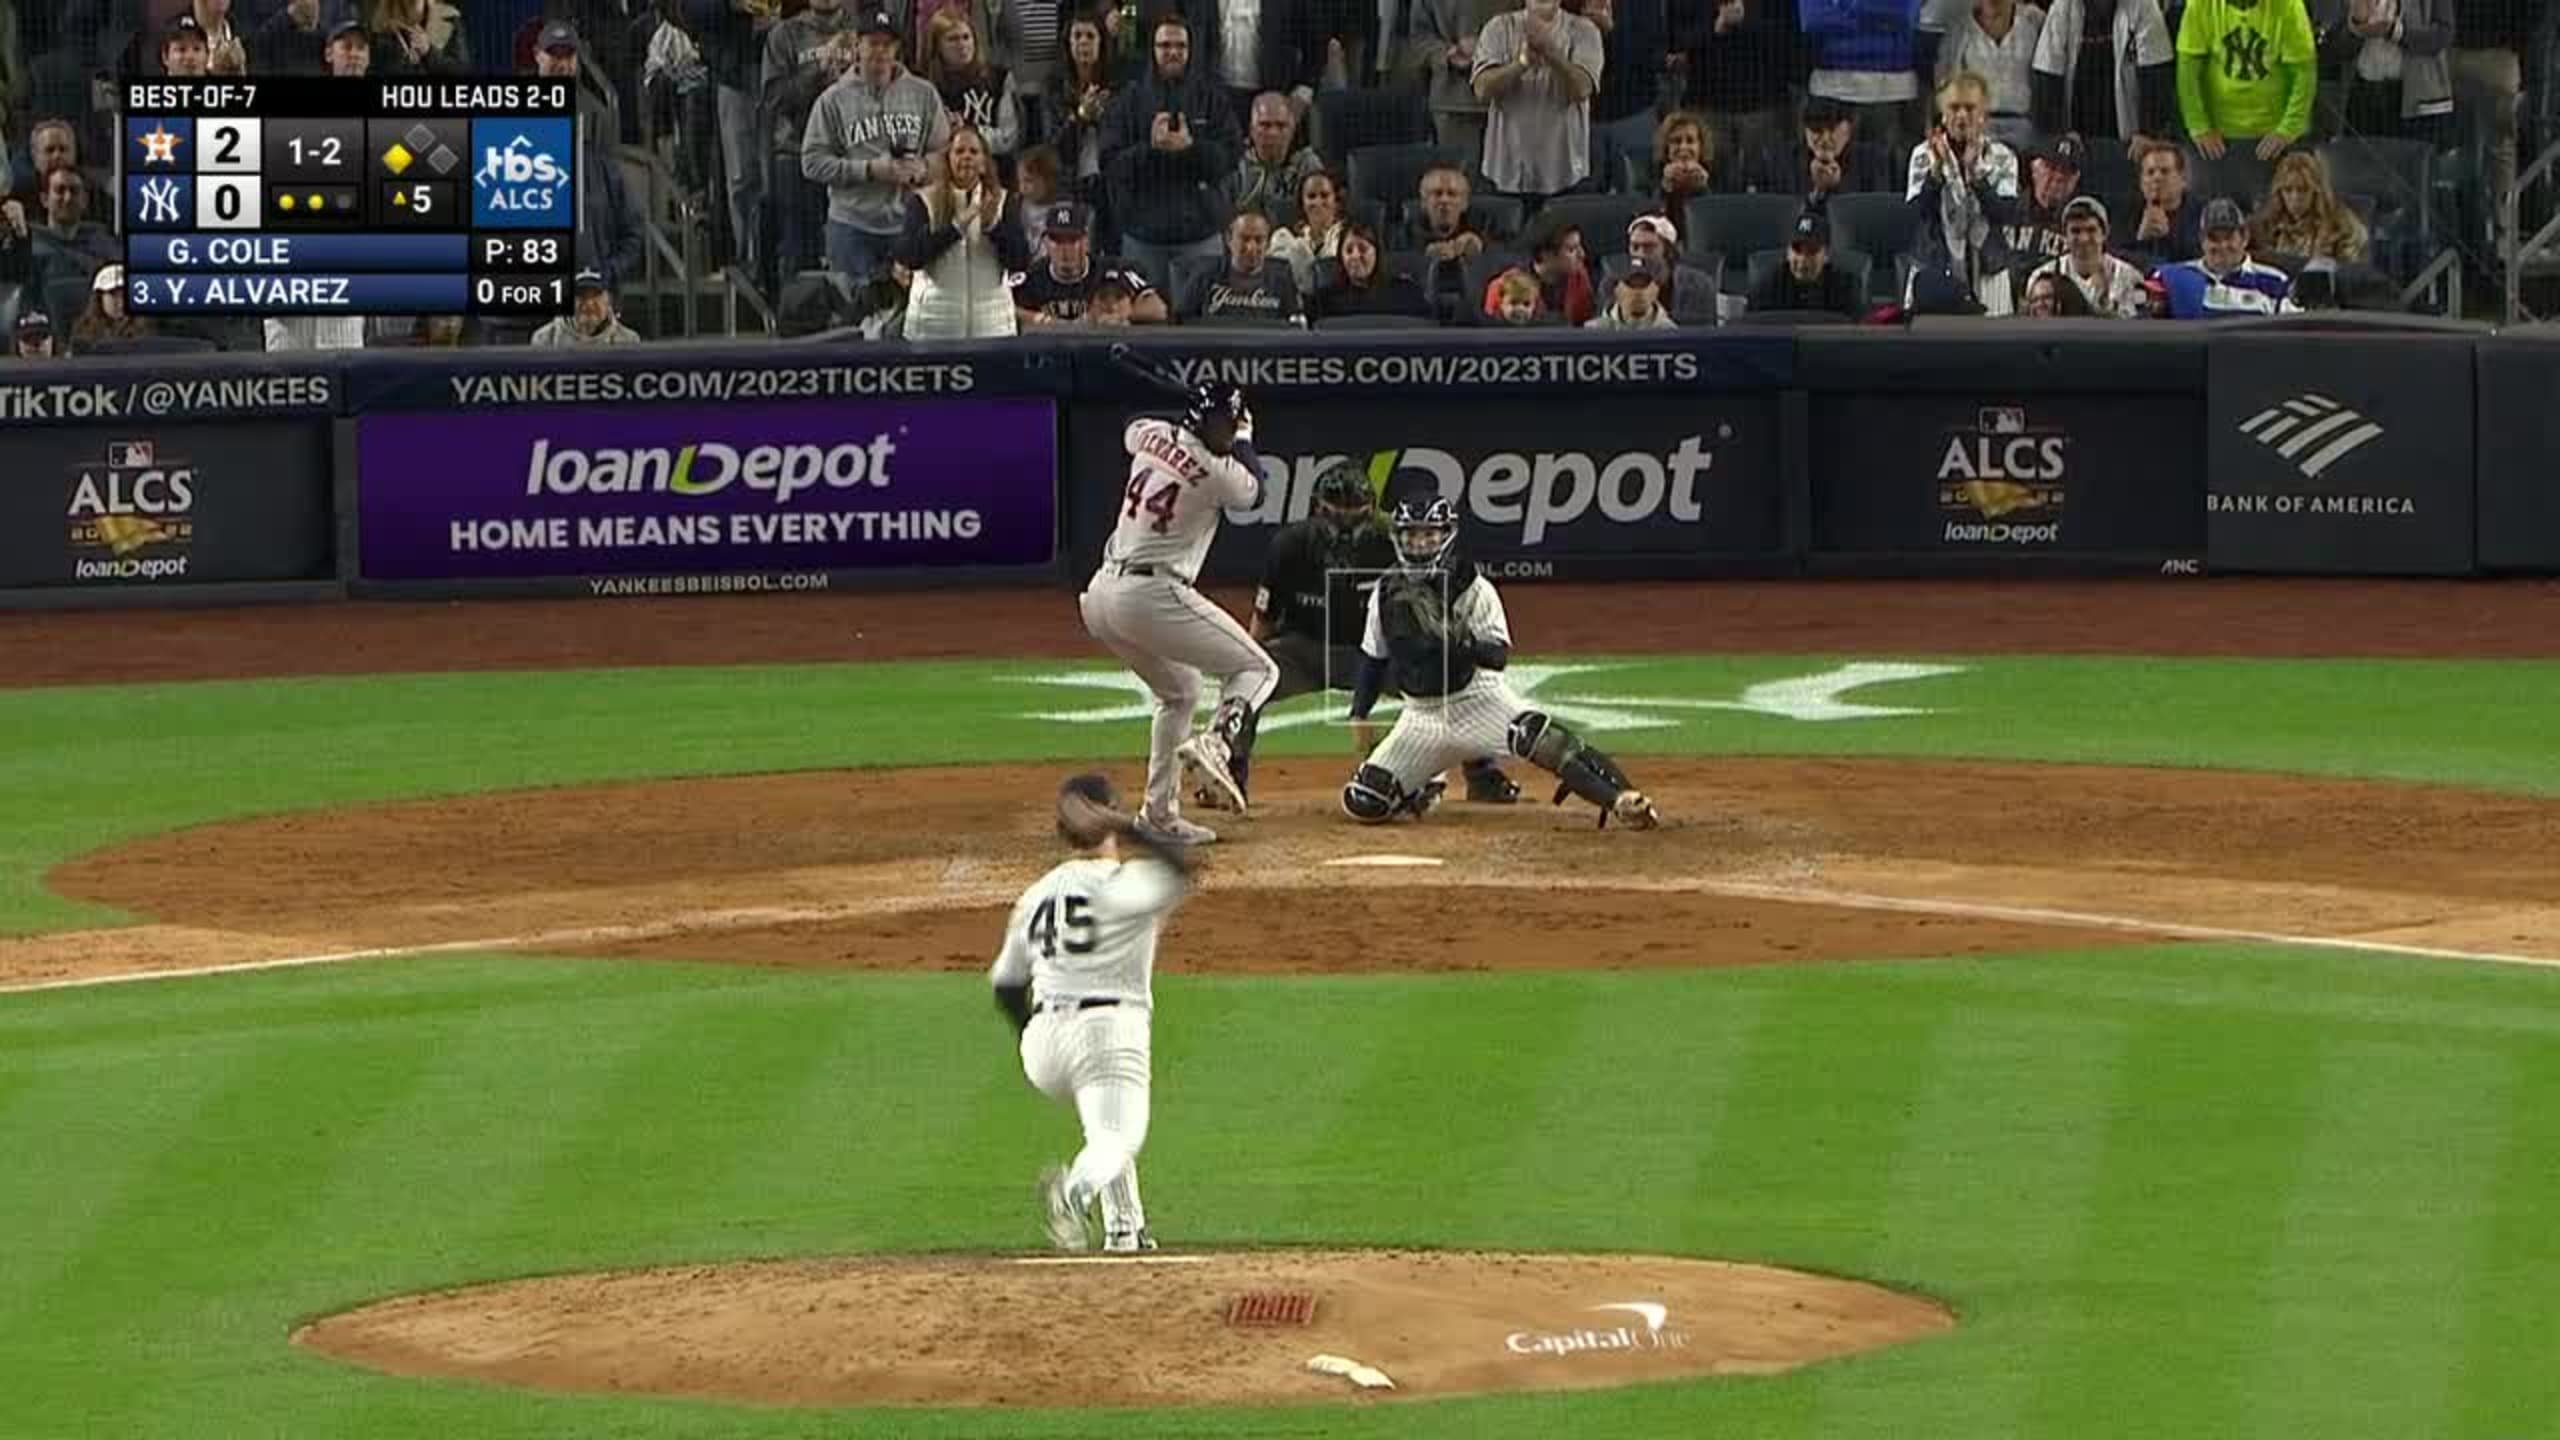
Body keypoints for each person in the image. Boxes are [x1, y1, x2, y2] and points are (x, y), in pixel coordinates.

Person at [1342, 496, 1660, 828]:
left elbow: (1497, 657)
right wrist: (1359, 713)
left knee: (1538, 736)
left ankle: (1623, 799)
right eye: (1411, 535)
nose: (1419, 544)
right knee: (1366, 802)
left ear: (1446, 536)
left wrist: (1459, 642)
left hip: (1479, 701)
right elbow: (1373, 657)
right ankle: (1427, 781)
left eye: (1429, 535)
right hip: (1421, 716)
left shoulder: (1474, 588)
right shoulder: (1385, 591)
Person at [1237, 463, 1522, 806]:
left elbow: (1446, 581)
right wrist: (1250, 667)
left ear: (1371, 510)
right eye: (1336, 514)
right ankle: (1230, 773)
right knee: (1247, 679)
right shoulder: (1290, 544)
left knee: (1449, 676)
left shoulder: (1397, 538)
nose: (1346, 525)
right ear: (1318, 509)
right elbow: (1264, 618)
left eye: (1355, 515)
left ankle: (1482, 773)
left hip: (1379, 655)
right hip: (1306, 651)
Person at [997, 773, 1195, 1255]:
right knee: (1119, 1136)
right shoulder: (1127, 884)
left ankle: (1125, 1228)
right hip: (1107, 1031)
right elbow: (1182, 866)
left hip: (1042, 1043)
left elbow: (1007, 986)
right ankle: (1072, 1194)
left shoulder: (1035, 895)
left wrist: (1037, 1037)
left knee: (1103, 1122)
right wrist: (1130, 824)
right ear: (1104, 817)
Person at [1078, 380, 1280, 844]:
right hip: (1149, 594)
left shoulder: (1151, 434)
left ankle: (1159, 816)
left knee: (1181, 691)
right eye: (1221, 426)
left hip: (1103, 594)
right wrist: (1246, 437)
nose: (1227, 435)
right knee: (1258, 668)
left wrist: (1186, 418)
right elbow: (1256, 492)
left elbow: (1132, 426)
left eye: (1230, 427)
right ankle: (1218, 741)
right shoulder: (1218, 472)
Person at [803, 9, 951, 289]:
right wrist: (870, 170)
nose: (880, 51)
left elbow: (945, 152)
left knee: (910, 322)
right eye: (872, 43)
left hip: (910, 224)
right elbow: (811, 162)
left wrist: (923, 168)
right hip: (851, 226)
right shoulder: (832, 100)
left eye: (887, 44)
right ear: (858, 46)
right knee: (852, 319)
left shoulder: (923, 93)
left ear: (897, 49)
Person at [1100, 16, 1241, 287]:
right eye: (1165, 45)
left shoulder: (1212, 99)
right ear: (1152, 50)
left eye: (1181, 46)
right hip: (1142, 238)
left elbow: (1229, 158)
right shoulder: (1128, 101)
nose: (1173, 52)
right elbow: (1110, 163)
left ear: (1191, 50)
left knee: (1201, 323)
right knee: (1144, 325)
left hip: (1200, 236)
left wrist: (1191, 149)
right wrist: (1150, 150)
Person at [896, 125, 1033, 337]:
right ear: (947, 160)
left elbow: (1019, 262)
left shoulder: (1004, 201)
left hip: (992, 328)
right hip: (933, 328)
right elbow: (911, 256)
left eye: (973, 152)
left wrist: (993, 227)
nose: (966, 157)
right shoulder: (922, 201)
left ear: (984, 163)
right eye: (959, 151)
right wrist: (955, 228)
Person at [1905, 69, 2022, 314]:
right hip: (1934, 266)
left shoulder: (2003, 156)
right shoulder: (1923, 154)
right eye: (1953, 108)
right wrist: (1936, 171)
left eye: (1970, 108)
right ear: (1943, 114)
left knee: (1996, 345)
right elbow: (1916, 215)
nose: (1961, 116)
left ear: (1983, 114)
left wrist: (1976, 174)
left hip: (1989, 267)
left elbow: (2005, 214)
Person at [1469, 0, 1604, 200]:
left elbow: (1582, 89)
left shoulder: (1585, 30)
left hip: (1565, 172)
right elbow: (1482, 89)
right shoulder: (1498, 27)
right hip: (1506, 170)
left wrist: (1551, 53)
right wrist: (1521, 63)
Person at [765, 0, 860, 280]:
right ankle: (799, 320)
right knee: (801, 256)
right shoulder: (784, 35)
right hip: (798, 153)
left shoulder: (864, 32)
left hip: (853, 156)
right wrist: (819, 67)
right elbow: (774, 100)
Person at [2176, 0, 2317, 167]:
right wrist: (2198, 125)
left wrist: (2289, 128)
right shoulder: (2199, 4)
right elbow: (2187, 72)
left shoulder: (2290, 6)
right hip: (2216, 136)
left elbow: (2304, 73)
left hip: (2276, 133)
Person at [2030, 0, 2176, 148]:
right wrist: (2058, 134)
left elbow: (2157, 74)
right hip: (2076, 135)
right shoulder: (2063, 7)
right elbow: (2046, 74)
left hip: (2130, 139)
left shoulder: (2143, 5)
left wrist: (2148, 133)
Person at [1675, 0, 1799, 170]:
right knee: (1709, 182)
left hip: (1764, 106)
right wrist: (1715, 29)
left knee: (1767, 181)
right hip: (1705, 106)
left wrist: (1745, 21)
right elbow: (1675, 40)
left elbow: (1790, 38)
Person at [1799, 0, 1927, 163]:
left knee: (1897, 180)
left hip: (1894, 94)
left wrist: (1843, 8)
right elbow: (1813, 21)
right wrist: (1877, 16)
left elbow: (1904, 16)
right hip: (1828, 93)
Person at [1015, 200, 1171, 322]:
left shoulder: (1111, 270)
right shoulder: (1034, 276)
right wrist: (1040, 319)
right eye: (1058, 241)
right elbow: (1004, 307)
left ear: (1085, 242)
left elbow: (1158, 309)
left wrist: (1122, 315)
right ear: (1046, 243)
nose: (1065, 249)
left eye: (1072, 240)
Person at [2330, 0, 2454, 146]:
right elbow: (2338, 47)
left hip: (2415, 102)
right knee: (2358, 163)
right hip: (2363, 95)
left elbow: (2443, 35)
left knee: (2410, 165)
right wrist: (2357, 24)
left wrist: (2395, 32)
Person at [2157, 195, 2296, 315]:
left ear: (2244, 238)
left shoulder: (2275, 281)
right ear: (2201, 241)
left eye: (2229, 237)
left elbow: (2294, 331)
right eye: (2213, 238)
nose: (2222, 246)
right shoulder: (2176, 277)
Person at [1740, 95, 1898, 197]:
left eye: (1832, 129)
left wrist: (1837, 186)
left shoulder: (1874, 161)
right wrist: (1816, 189)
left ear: (1849, 128)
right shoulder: (1778, 161)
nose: (1825, 139)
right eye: (1816, 130)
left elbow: (1875, 218)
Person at [1415, 0, 1515, 160]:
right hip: (1454, 105)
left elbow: (1541, 21)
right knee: (1461, 177)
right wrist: (1447, 53)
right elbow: (1419, 37)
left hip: (1512, 102)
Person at [1939, 0, 2044, 146]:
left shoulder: (2034, 22)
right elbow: (1946, 85)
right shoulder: (1960, 29)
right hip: (1977, 126)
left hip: (2026, 125)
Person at [1040, 12, 1119, 199]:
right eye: (1077, 36)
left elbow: (1124, 139)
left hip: (1112, 183)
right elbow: (1052, 147)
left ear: (1102, 43)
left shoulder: (1118, 85)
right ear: (1068, 43)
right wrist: (1081, 116)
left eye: (1090, 36)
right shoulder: (1054, 87)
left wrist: (1103, 116)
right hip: (1069, 185)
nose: (1084, 42)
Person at [1177, 206, 1303, 323]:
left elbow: (1294, 324)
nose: (1251, 247)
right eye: (1245, 238)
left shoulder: (1281, 278)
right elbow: (1182, 322)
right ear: (1228, 239)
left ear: (1268, 243)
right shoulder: (1204, 274)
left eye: (1259, 240)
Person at [925, 11, 1023, 159]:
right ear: (937, 45)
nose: (962, 45)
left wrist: (966, 133)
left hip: (992, 167)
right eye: (952, 39)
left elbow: (1007, 138)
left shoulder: (999, 79)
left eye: (966, 37)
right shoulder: (925, 85)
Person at [2028, 194, 2146, 312]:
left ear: (2104, 233)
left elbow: (2138, 324)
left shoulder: (2130, 277)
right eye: (2075, 231)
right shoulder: (2042, 276)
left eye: (2091, 230)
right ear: (2065, 236)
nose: (2084, 239)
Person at [1225, 91, 1325, 224]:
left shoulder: (1307, 164)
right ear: (1251, 130)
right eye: (1265, 125)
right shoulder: (1234, 164)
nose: (1273, 133)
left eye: (1281, 126)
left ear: (1292, 129)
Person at [2251, 148, 2368, 262]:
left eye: (2303, 190)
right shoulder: (2265, 225)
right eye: (2288, 190)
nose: (2295, 198)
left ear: (2316, 192)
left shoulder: (2341, 227)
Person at [1749, 205, 1865, 314]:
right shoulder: (1768, 283)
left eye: (1812, 251)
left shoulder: (1847, 286)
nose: (1803, 259)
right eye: (1797, 250)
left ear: (1826, 255)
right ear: (1788, 253)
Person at [1312, 222, 1436, 317]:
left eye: (1362, 249)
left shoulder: (1406, 293)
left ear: (1377, 254)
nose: (1355, 256)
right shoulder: (1324, 301)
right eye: (1349, 250)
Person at [2002, 130, 2087, 266]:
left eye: (2067, 172)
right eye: (2051, 168)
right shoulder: (2004, 210)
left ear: (2075, 180)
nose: (2059, 177)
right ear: (2034, 168)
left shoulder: (2083, 225)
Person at [2120, 135, 2204, 264]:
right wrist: (2141, 239)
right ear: (2141, 183)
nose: (2157, 178)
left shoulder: (2202, 214)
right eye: (2150, 172)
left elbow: (2202, 260)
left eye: (2165, 171)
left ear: (2183, 179)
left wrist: (2167, 238)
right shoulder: (2125, 213)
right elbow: (2115, 261)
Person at [1624, 212, 1718, 322]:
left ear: (1669, 252)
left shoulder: (1699, 285)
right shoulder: (1612, 285)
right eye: (1635, 247)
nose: (1640, 254)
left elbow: (1702, 333)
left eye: (1649, 247)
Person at [1268, 168, 1346, 291]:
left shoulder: (1347, 236)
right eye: (1311, 196)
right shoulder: (1286, 238)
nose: (1318, 202)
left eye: (1324, 195)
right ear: (1302, 203)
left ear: (1336, 202)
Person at [1511, 220, 1596, 322]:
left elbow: (1587, 324)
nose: (1582, 254)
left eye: (1580, 247)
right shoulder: (1505, 284)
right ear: (1546, 255)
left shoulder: (1580, 277)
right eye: (1571, 249)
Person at [532, 270, 646, 345]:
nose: (589, 303)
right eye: (581, 296)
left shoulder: (629, 341)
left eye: (596, 295)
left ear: (609, 300)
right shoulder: (544, 339)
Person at [1650, 111, 1718, 218]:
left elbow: (1717, 219)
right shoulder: (1652, 177)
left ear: (1701, 147)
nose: (1683, 147)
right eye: (1676, 141)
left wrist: (1703, 189)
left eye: (1690, 141)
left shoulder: (1717, 176)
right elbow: (1649, 219)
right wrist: (1665, 188)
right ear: (1667, 148)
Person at [72, 266, 153, 351]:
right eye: (113, 294)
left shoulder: (146, 329)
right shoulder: (83, 329)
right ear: (99, 298)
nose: (120, 302)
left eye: (124, 295)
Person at [1586, 253, 1679, 325]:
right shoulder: (1594, 331)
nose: (1639, 292)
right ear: (1616, 290)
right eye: (1631, 285)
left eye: (1644, 285)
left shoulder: (1672, 333)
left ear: (1656, 290)